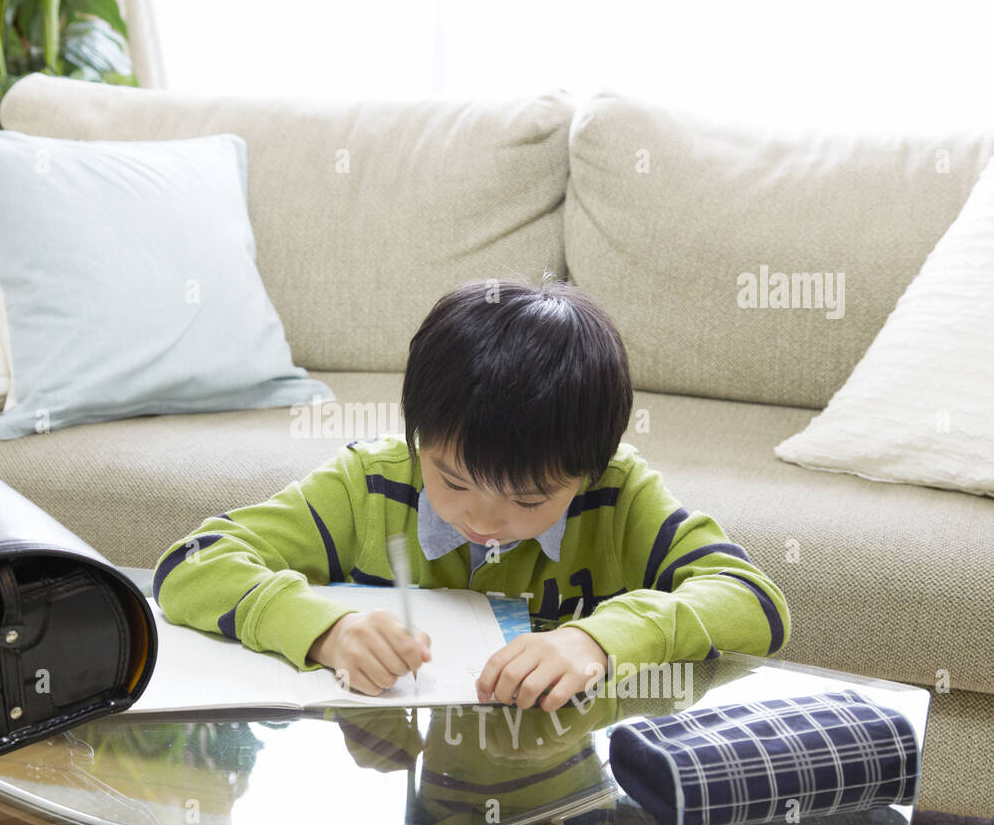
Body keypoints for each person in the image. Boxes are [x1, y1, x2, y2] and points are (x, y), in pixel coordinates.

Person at [152, 277, 791, 711]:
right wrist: (327, 632)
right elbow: (191, 564)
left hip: (578, 763)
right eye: (452, 480)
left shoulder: (620, 494)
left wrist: (597, 640)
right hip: (401, 751)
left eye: (531, 499)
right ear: (417, 434)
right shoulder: (370, 484)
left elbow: (756, 603)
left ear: (589, 472)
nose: (482, 519)